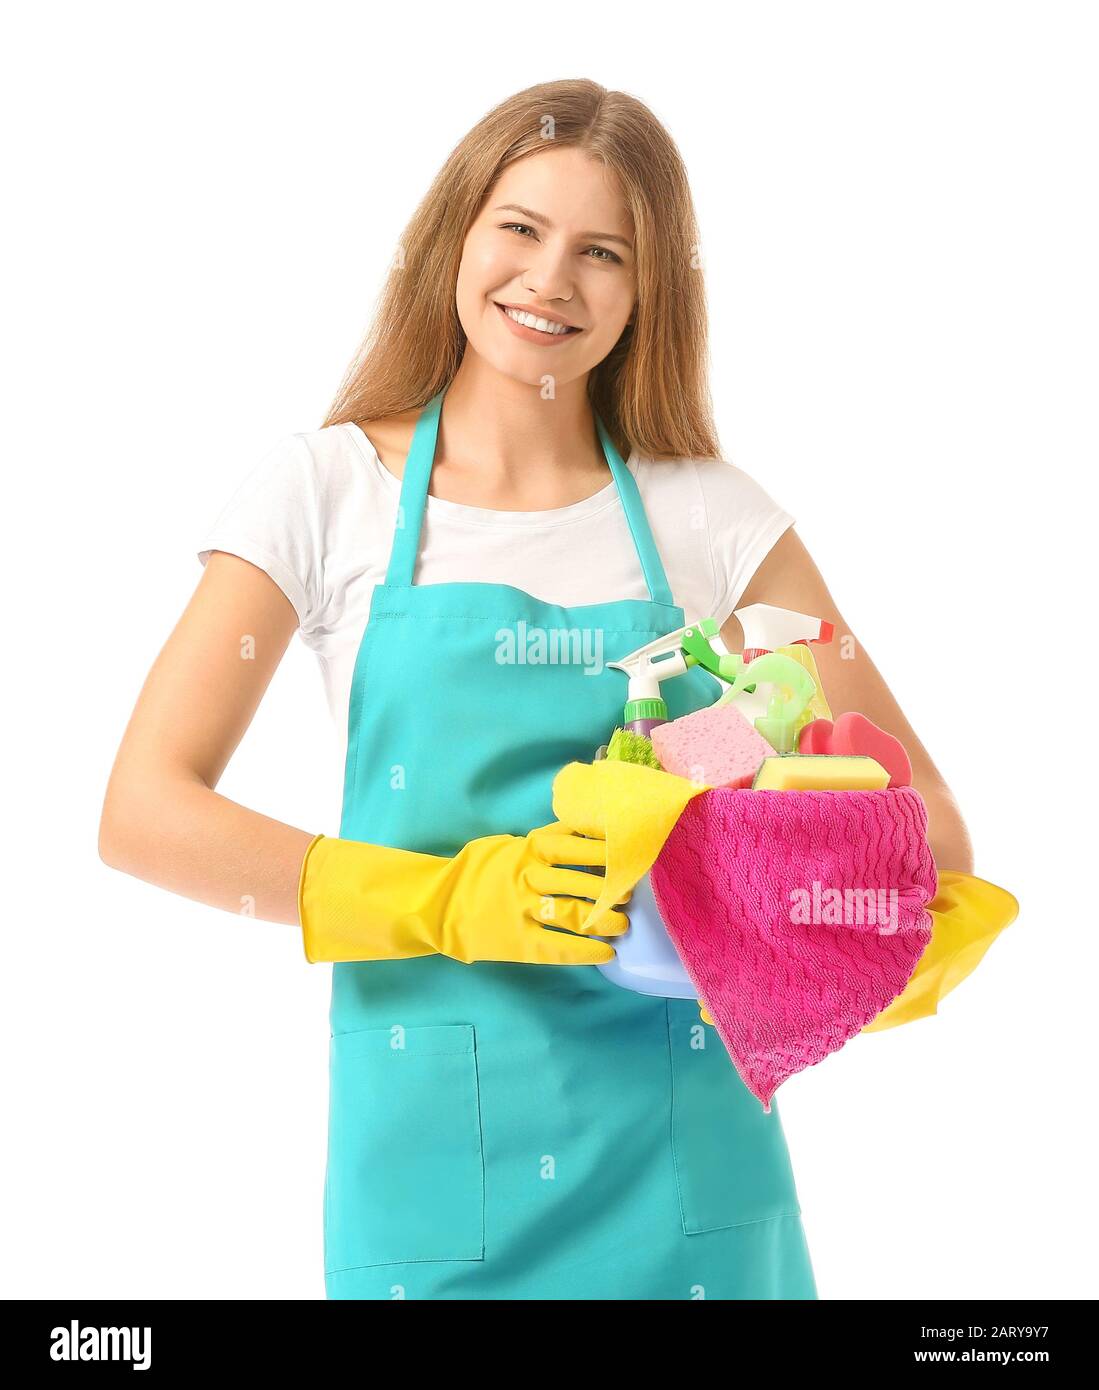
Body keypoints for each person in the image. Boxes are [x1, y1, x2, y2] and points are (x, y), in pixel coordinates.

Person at [98, 78, 974, 1300]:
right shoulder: (323, 492)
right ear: (455, 234)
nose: (549, 280)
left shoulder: (708, 518)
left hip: (689, 1163)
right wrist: (451, 899)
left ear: (648, 288)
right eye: (519, 228)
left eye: (601, 251)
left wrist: (757, 867)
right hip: (430, 1163)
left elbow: (923, 818)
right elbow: (142, 812)